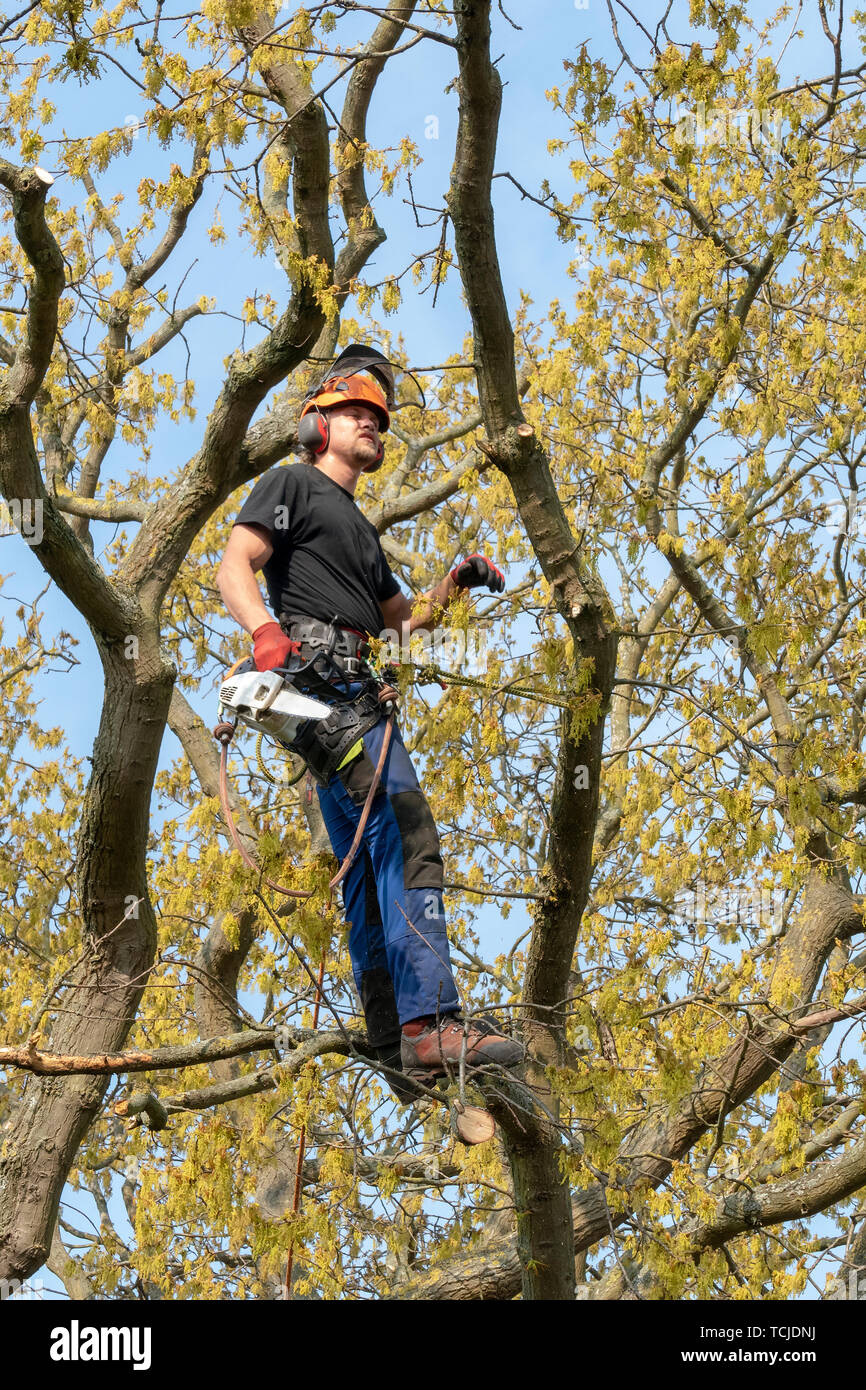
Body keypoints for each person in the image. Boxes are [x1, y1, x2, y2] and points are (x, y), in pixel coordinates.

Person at [217, 346, 522, 1090]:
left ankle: (393, 1039)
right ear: (316, 427)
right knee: (409, 828)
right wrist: (264, 634)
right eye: (356, 413)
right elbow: (234, 565)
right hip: (324, 692)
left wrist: (455, 583)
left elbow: (402, 623)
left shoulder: (357, 529)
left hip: (353, 694)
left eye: (379, 421)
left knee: (371, 860)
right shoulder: (290, 484)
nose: (372, 426)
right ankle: (433, 1024)